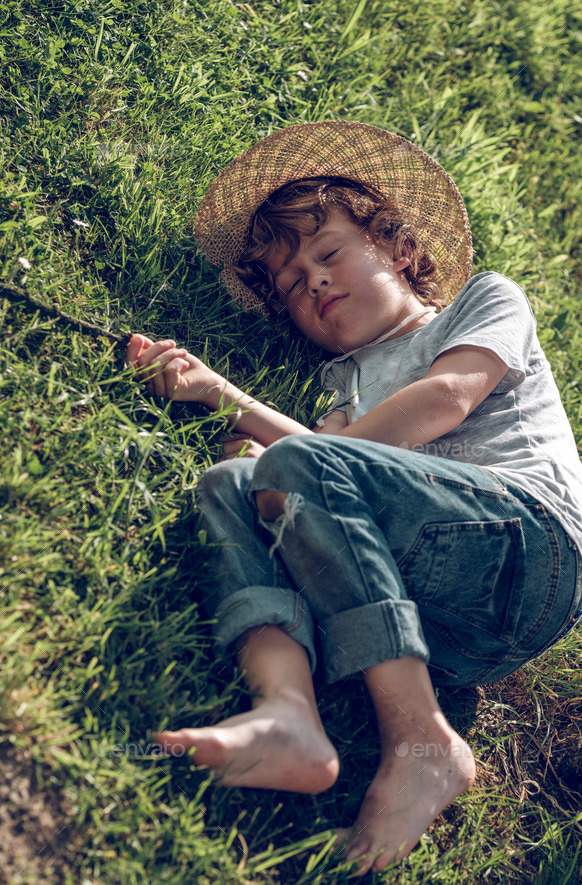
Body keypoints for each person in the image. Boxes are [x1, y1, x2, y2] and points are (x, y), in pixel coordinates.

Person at [125, 121, 582, 875]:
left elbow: (445, 399)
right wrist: (222, 405)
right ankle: (287, 713)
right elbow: (319, 468)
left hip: (528, 551)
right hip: (440, 630)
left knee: (295, 462)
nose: (314, 281)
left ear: (400, 250)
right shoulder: (343, 393)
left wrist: (283, 443)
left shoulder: (483, 302)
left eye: (329, 254)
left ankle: (421, 742)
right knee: (229, 481)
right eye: (292, 285)